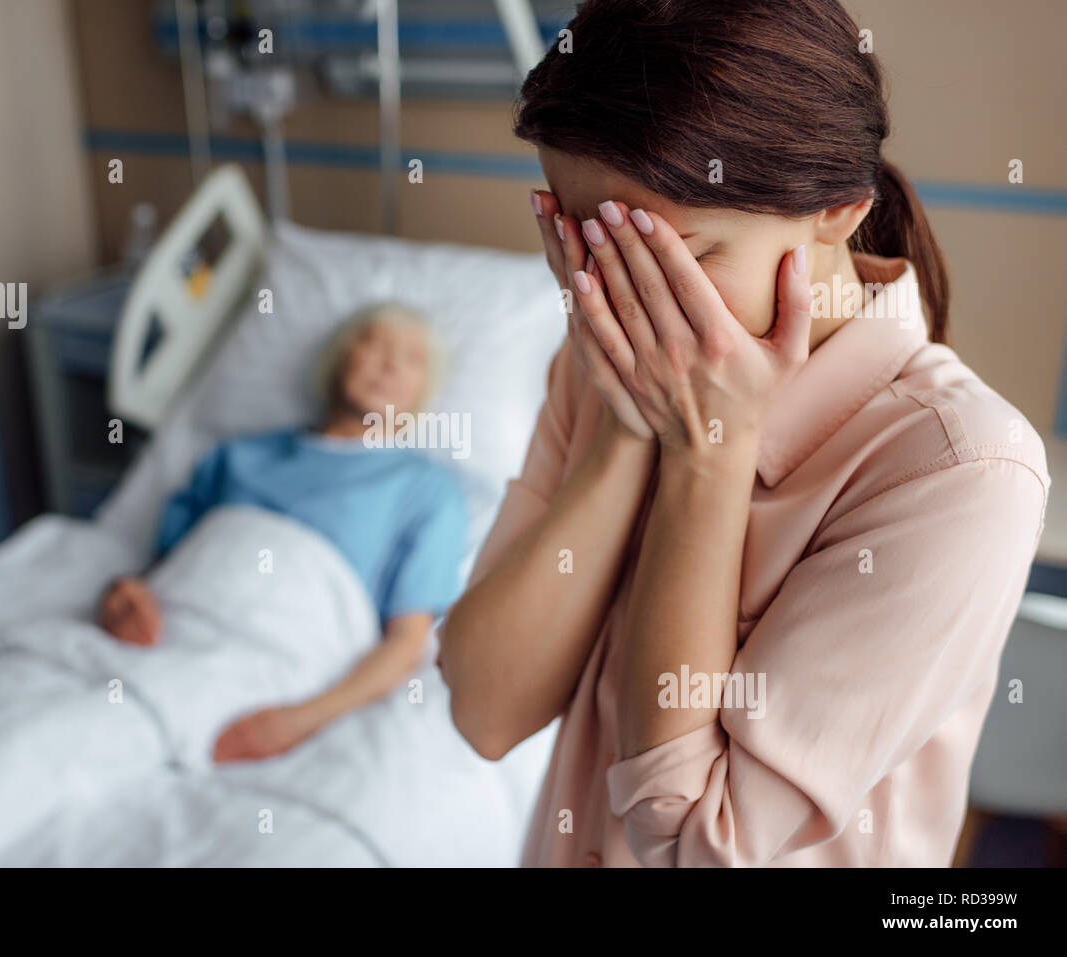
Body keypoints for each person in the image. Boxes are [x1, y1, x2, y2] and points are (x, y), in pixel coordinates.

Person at [437, 0, 1049, 867]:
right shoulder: (598, 364)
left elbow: (695, 848)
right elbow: (483, 710)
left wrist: (707, 457)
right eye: (590, 253)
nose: (619, 302)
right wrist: (624, 427)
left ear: (836, 210)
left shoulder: (961, 469)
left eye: (671, 259)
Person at [99, 302, 467, 765]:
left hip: (272, 662)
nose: (390, 363)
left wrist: (298, 721)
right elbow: (167, 563)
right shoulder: (237, 456)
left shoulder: (425, 490)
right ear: (339, 358)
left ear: (422, 394)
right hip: (159, 637)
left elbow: (406, 642)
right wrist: (122, 595)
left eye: (412, 359)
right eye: (374, 343)